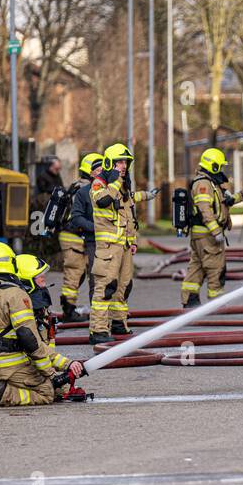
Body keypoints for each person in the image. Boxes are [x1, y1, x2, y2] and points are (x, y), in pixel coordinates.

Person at [0, 242, 83, 408]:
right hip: (7, 367)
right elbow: (29, 339)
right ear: (10, 263)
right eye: (41, 278)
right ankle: (2, 394)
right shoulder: (15, 294)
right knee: (48, 392)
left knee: (52, 386)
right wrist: (50, 373)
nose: (45, 284)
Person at [87, 143, 157, 344]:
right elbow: (103, 200)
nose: (123, 165)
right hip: (108, 248)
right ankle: (98, 330)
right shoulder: (99, 184)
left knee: (124, 286)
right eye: (119, 162)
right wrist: (116, 181)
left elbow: (128, 212)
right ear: (109, 163)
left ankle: (118, 323)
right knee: (105, 287)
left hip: (124, 246)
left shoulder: (122, 186)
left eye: (126, 162)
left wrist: (132, 240)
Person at [181, 148, 243, 308]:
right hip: (207, 235)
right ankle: (216, 305)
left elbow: (222, 201)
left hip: (200, 235)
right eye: (220, 166)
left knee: (197, 267)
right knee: (216, 268)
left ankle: (190, 301)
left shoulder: (208, 182)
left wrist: (240, 197)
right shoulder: (203, 183)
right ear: (214, 166)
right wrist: (216, 231)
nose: (221, 170)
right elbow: (205, 209)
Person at [15, 252, 74, 398]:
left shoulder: (40, 303)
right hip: (24, 368)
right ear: (27, 281)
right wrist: (67, 364)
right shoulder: (24, 307)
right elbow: (35, 347)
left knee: (60, 390)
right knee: (49, 393)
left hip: (43, 364)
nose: (44, 278)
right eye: (39, 276)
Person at [59, 153, 103, 322]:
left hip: (78, 235)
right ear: (91, 171)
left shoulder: (78, 185)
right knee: (74, 272)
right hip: (74, 236)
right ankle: (68, 311)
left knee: (79, 273)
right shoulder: (84, 189)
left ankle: (70, 306)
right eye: (99, 169)